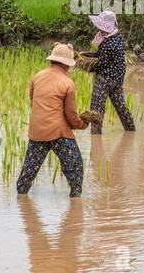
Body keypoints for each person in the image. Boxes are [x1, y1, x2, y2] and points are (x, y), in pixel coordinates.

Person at [16, 43, 90, 200]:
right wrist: (82, 124)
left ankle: (21, 197)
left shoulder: (37, 77)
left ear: (52, 60)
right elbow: (70, 115)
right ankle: (75, 200)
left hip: (37, 132)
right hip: (59, 133)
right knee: (74, 165)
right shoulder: (67, 83)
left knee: (29, 170)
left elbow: (33, 101)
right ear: (67, 64)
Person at [78, 10, 135, 135]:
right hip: (117, 80)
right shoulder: (118, 38)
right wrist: (87, 54)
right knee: (121, 107)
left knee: (96, 109)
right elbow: (102, 55)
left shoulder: (108, 43)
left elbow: (101, 63)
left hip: (105, 79)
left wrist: (83, 64)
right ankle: (131, 131)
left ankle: (96, 137)